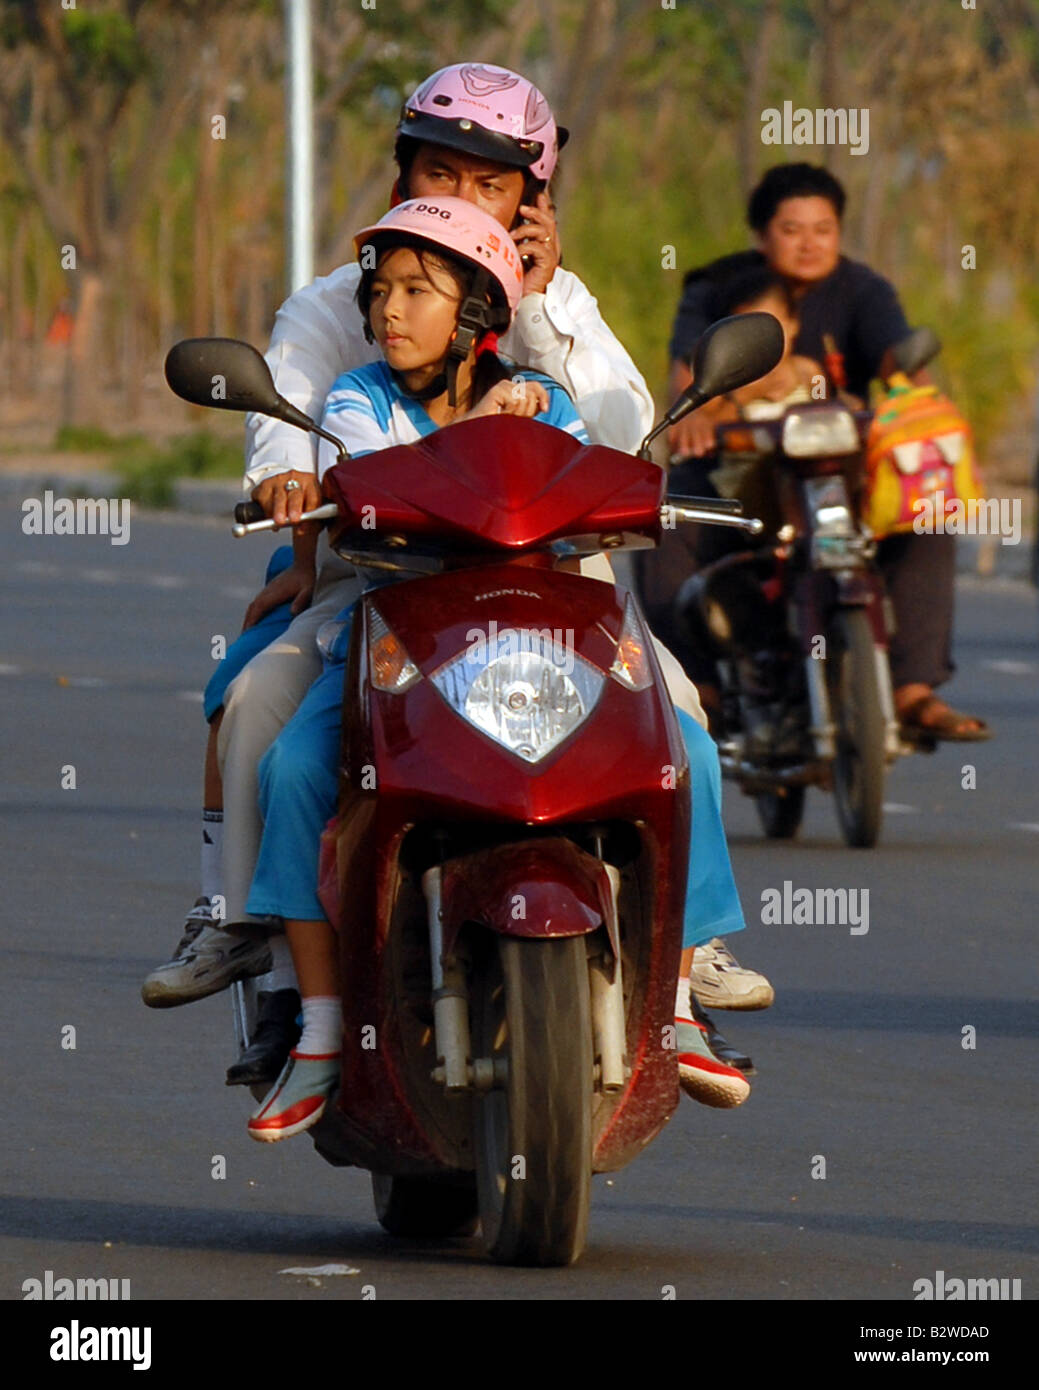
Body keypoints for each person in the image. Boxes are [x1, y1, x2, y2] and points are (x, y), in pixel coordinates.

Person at [141, 63, 769, 1093]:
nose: (466, 203)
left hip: (555, 579)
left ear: (531, 203)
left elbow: (622, 434)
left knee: (683, 717)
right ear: (400, 177)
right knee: (256, 702)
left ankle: (687, 966)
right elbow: (287, 422)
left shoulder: (557, 308)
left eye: (493, 187)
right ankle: (247, 931)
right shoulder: (343, 306)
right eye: (441, 172)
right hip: (381, 580)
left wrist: (540, 305)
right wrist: (291, 491)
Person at [245, 198, 750, 1139]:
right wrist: (472, 423)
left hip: (544, 624)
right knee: (296, 767)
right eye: (381, 291)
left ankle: (677, 1002)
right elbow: (370, 471)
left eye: (418, 291)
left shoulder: (542, 398)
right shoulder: (357, 398)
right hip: (401, 623)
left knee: (686, 751)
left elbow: (589, 465)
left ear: (478, 309)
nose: (390, 310)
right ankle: (316, 1031)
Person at [640, 161, 988, 742]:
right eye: (792, 228)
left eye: (823, 229)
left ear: (840, 233)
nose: (809, 243)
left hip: (842, 467)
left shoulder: (864, 290)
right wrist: (699, 410)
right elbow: (688, 374)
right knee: (668, 511)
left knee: (927, 516)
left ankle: (913, 688)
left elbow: (895, 362)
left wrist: (910, 394)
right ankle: (694, 687)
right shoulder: (717, 285)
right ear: (761, 235)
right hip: (738, 464)